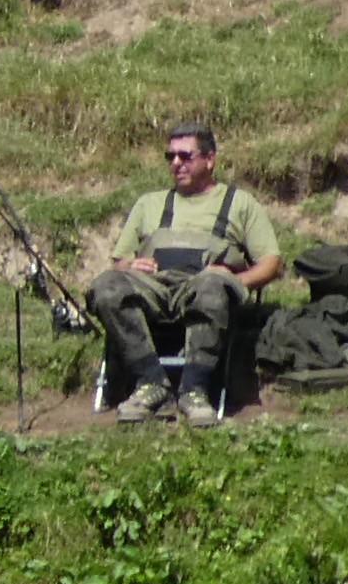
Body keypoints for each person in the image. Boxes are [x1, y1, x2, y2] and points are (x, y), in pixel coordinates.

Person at [86, 120, 287, 423]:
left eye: (185, 156)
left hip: (204, 287)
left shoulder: (239, 204)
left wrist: (234, 280)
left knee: (210, 287)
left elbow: (272, 262)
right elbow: (119, 261)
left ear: (210, 159)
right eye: (171, 157)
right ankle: (151, 382)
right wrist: (129, 265)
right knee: (106, 287)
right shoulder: (149, 204)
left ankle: (195, 390)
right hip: (153, 288)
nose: (176, 163)